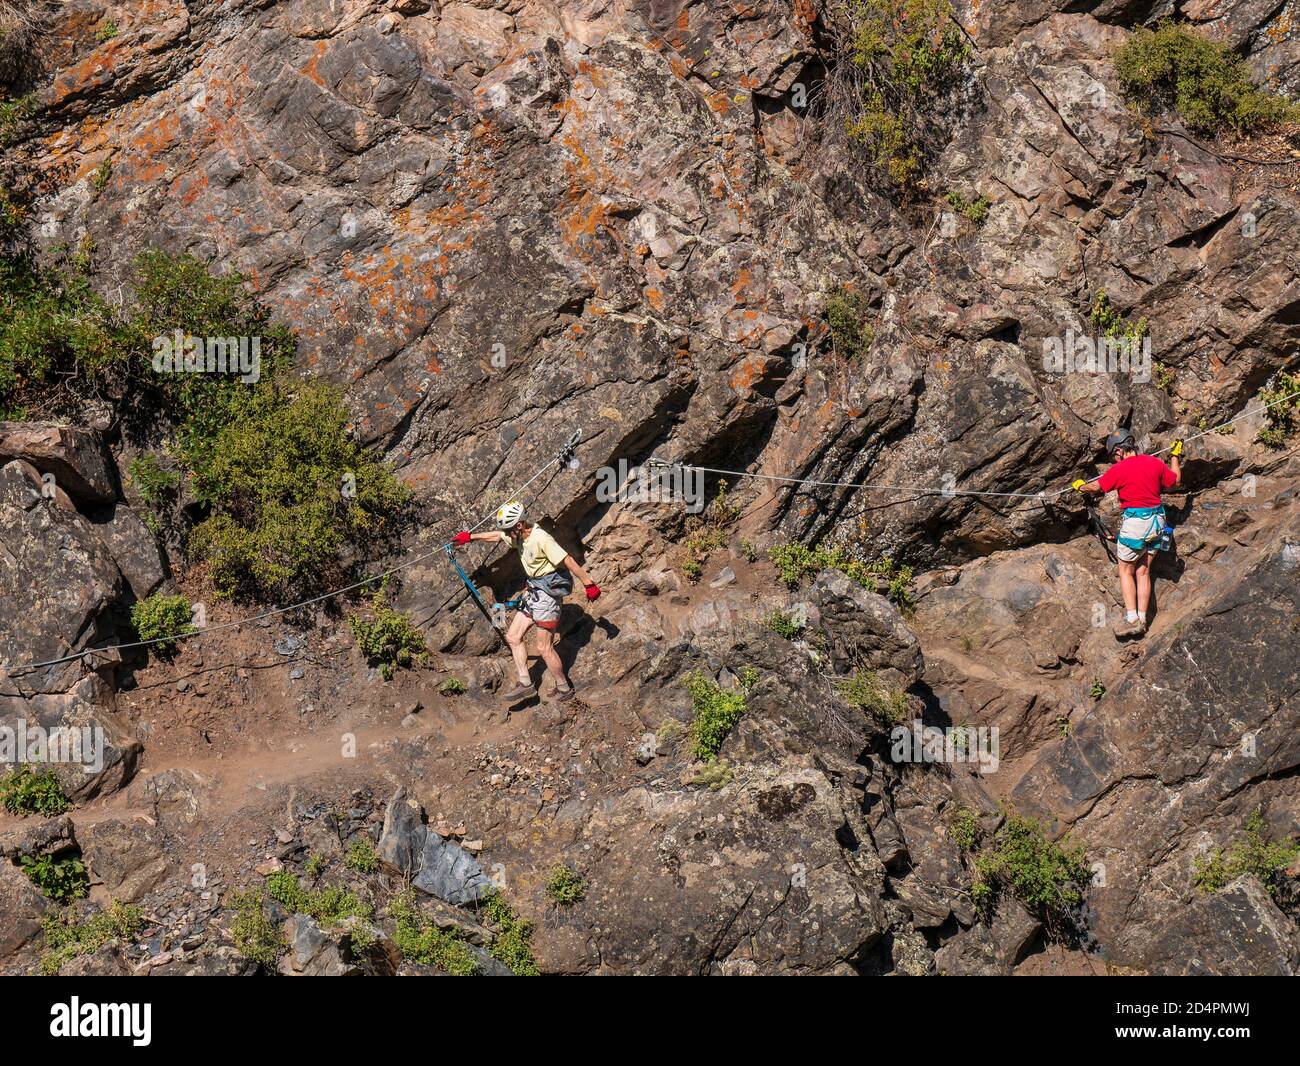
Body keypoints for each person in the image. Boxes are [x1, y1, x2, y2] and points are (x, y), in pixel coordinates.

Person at [451, 502, 600, 701]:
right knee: (513, 636)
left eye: (509, 529)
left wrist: (588, 583)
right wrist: (470, 537)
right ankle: (526, 683)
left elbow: (568, 560)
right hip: (535, 592)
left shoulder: (541, 538)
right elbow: (497, 535)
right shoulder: (518, 536)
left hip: (547, 595)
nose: (506, 533)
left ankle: (564, 688)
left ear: (519, 525)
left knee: (544, 648)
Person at [1073, 431, 1182, 639]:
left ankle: (1132, 619)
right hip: (1158, 522)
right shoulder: (1155, 463)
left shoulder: (1119, 469)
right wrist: (1175, 456)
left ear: (1119, 451)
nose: (1115, 459)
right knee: (1143, 572)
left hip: (1136, 523)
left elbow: (1096, 488)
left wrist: (1081, 486)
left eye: (1114, 456)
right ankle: (1143, 619)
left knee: (1125, 571)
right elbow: (1176, 481)